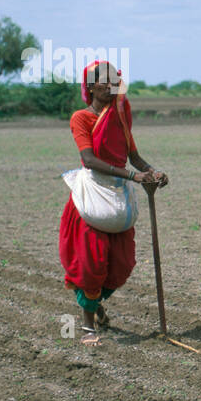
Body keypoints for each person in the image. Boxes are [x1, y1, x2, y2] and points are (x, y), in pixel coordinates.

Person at [59, 60, 168, 344]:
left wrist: (153, 172)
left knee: (121, 265)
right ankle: (88, 325)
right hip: (92, 198)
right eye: (104, 81)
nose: (110, 85)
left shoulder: (119, 118)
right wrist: (133, 176)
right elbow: (89, 160)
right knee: (92, 265)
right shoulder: (81, 118)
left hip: (118, 197)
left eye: (114, 79)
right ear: (91, 86)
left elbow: (134, 156)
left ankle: (95, 305)